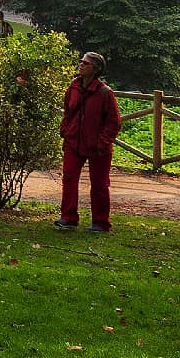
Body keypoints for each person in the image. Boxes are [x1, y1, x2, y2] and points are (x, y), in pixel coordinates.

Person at [57, 51, 121, 232]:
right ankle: (68, 217)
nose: (81, 65)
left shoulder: (104, 93)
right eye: (81, 62)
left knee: (100, 184)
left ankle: (101, 222)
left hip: (97, 148)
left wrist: (101, 142)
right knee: (69, 179)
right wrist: (65, 131)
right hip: (73, 142)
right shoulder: (73, 87)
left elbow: (114, 122)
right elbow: (67, 111)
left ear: (96, 69)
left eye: (85, 63)